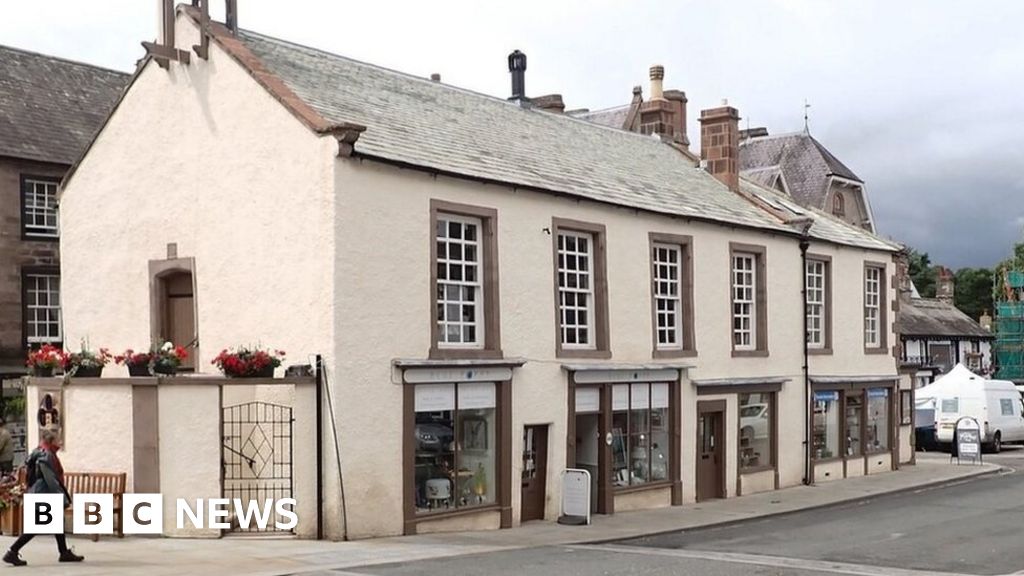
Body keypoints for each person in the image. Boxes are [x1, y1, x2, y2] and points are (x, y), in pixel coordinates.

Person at [3, 428, 84, 567]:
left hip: (38, 491)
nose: (60, 442)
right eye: (58, 440)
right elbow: (50, 479)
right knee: (37, 526)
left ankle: (64, 552)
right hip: (44, 493)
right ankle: (12, 552)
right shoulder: (46, 455)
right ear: (51, 441)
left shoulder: (38, 451)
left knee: (57, 522)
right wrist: (61, 497)